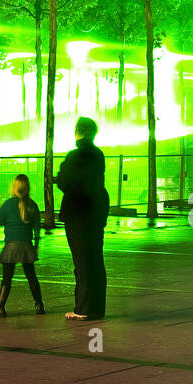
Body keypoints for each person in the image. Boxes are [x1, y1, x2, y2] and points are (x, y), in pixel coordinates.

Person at [56, 116, 109, 320]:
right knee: (96, 258)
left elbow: (64, 181)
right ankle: (97, 307)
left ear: (78, 132)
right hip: (96, 211)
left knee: (81, 260)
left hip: (78, 212)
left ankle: (83, 308)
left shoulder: (75, 156)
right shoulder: (98, 155)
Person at [0, 174, 44, 317]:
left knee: (7, 278)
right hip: (26, 245)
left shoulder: (8, 204)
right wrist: (36, 245)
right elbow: (37, 228)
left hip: (11, 246)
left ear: (14, 187)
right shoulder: (33, 205)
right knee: (31, 276)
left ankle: (0, 307)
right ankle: (39, 305)